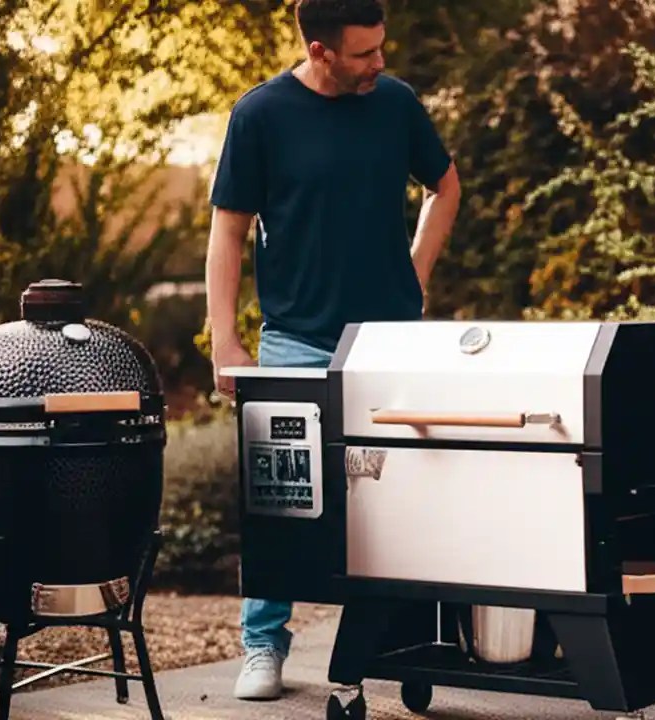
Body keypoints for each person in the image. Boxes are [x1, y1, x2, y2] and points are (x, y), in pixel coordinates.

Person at [204, 0, 460, 701]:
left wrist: (418, 271)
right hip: (294, 341)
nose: (380, 61)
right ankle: (262, 644)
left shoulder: (397, 104)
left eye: (382, 47)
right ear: (320, 50)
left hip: (389, 341)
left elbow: (445, 185)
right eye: (364, 52)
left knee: (400, 495)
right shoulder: (260, 115)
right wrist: (225, 339)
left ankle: (402, 646)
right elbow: (228, 231)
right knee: (280, 500)